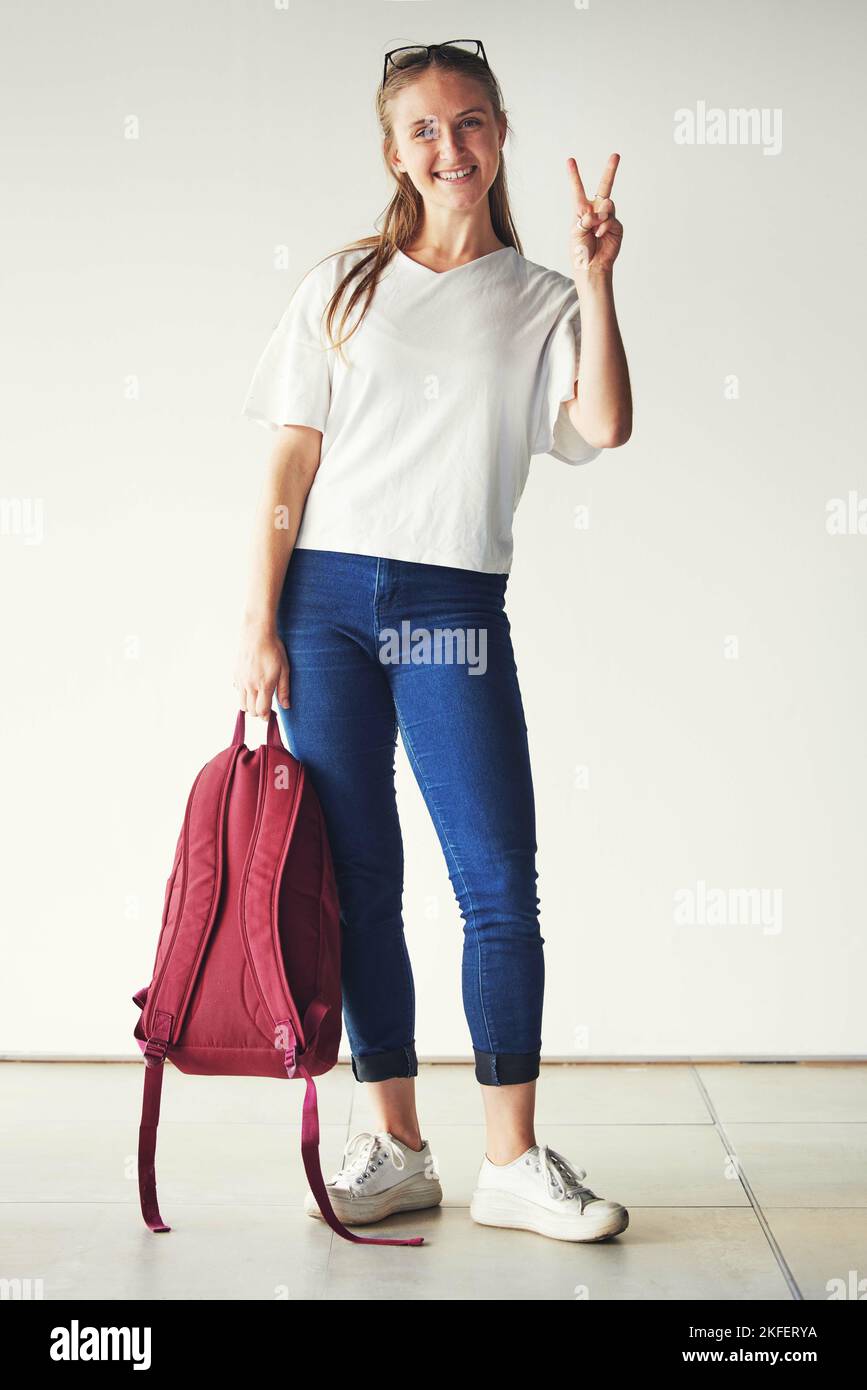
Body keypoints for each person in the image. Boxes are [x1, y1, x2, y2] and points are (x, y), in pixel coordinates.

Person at [234, 39, 632, 1243]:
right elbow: (291, 461)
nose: (448, 148)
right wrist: (259, 620)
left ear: (500, 133)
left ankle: (509, 1159)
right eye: (422, 130)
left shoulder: (541, 297)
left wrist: (600, 277)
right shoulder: (343, 285)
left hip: (452, 607)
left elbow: (603, 424)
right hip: (327, 602)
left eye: (469, 124)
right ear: (392, 150)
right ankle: (393, 1142)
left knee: (497, 882)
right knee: (359, 881)